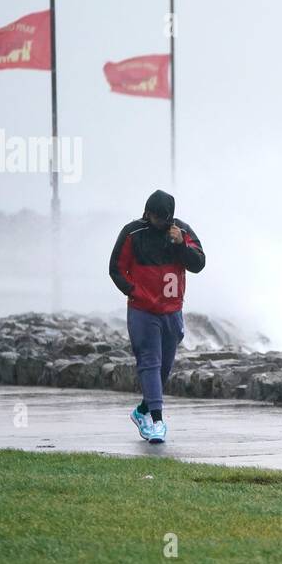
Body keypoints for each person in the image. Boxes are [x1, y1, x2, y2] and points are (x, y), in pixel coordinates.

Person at [108, 189, 206, 443]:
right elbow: (116, 268)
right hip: (142, 311)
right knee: (150, 362)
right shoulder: (133, 233)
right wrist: (134, 291)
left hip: (172, 311)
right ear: (146, 212)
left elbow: (198, 264)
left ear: (169, 216)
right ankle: (157, 421)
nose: (156, 221)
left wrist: (180, 244)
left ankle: (142, 411)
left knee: (163, 368)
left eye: (161, 217)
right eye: (152, 216)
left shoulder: (182, 232)